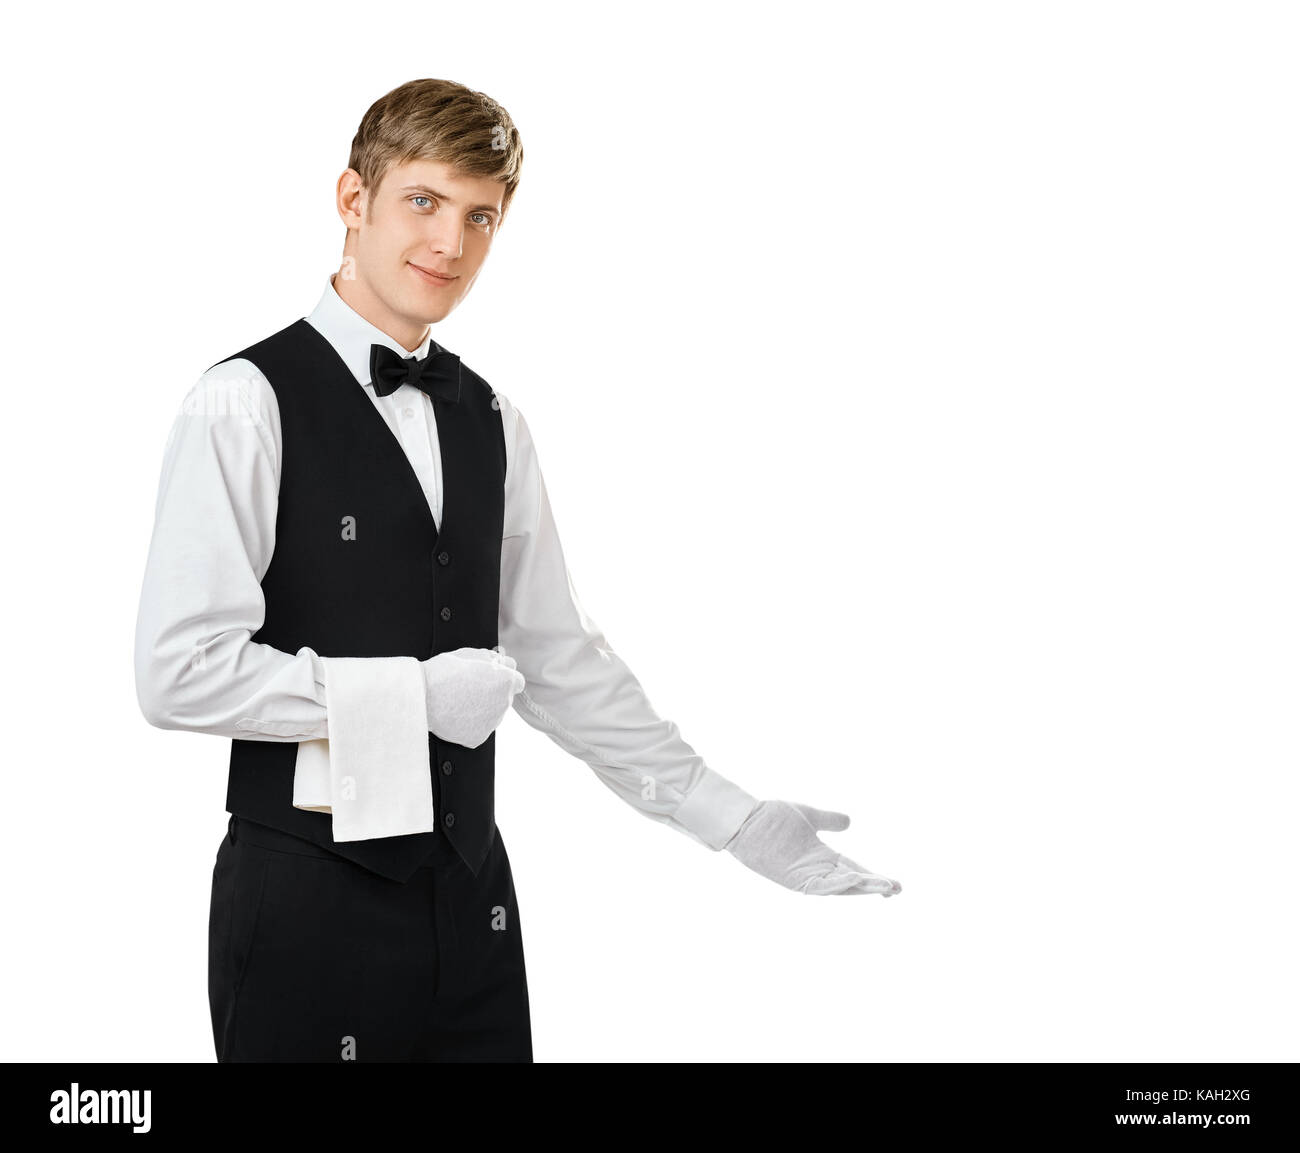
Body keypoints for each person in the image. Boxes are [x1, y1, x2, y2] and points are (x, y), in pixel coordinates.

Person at [133, 77, 901, 1064]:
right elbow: (176, 672)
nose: (450, 246)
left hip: (471, 899)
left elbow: (558, 656)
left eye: (480, 216)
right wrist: (406, 697)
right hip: (303, 911)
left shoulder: (492, 418)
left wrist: (732, 818)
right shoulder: (239, 402)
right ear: (351, 199)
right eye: (423, 201)